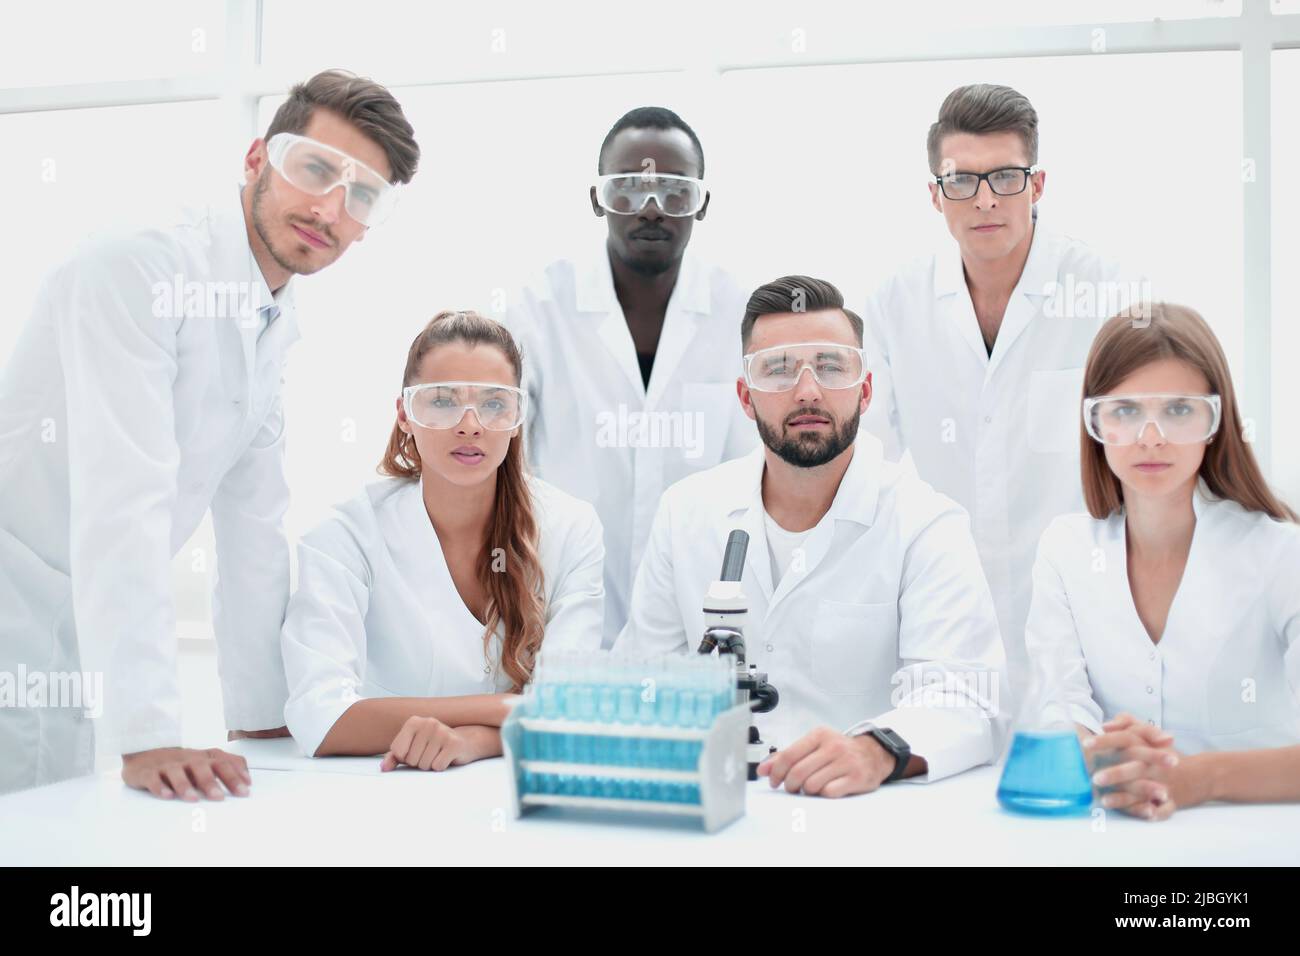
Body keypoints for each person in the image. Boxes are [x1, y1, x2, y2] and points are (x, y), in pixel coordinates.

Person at [0, 70, 420, 799]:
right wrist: (150, 736)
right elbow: (122, 495)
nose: (330, 208)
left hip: (69, 617)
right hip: (19, 596)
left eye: (361, 197)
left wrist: (262, 720)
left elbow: (254, 528)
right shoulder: (138, 264)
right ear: (257, 159)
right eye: (315, 169)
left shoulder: (274, 320)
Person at [618, 276, 1005, 797]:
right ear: (746, 397)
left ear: (865, 391)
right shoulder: (686, 512)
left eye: (830, 366)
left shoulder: (925, 524)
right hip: (718, 813)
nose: (807, 390)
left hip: (861, 817)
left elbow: (966, 700)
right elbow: (643, 683)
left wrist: (873, 750)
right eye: (776, 370)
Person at [859, 83, 1142, 708]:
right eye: (961, 181)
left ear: (1037, 186)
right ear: (935, 196)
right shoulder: (895, 303)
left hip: (1086, 610)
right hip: (944, 611)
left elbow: (1147, 460)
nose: (985, 199)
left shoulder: (1104, 292)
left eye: (1007, 178)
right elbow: (867, 467)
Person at [281, 311, 604, 770]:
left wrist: (475, 740)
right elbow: (319, 718)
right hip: (374, 790)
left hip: (518, 793)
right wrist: (507, 709)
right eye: (442, 401)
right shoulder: (345, 534)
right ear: (405, 415)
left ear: (516, 419)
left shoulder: (572, 527)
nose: (470, 425)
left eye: (494, 404)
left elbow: (570, 705)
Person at [1024, 302, 1300, 820]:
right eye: (1126, 411)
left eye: (1178, 410)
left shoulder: (1282, 555)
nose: (1151, 437)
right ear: (1096, 422)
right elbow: (1060, 706)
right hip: (1115, 838)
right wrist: (1095, 750)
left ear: (1215, 422)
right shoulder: (1064, 550)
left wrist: (1198, 778)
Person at [502, 106, 757, 644]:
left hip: (704, 603)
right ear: (597, 198)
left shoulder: (740, 312)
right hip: (561, 598)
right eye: (628, 190)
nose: (650, 209)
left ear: (702, 203)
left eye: (674, 192)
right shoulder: (540, 307)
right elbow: (499, 452)